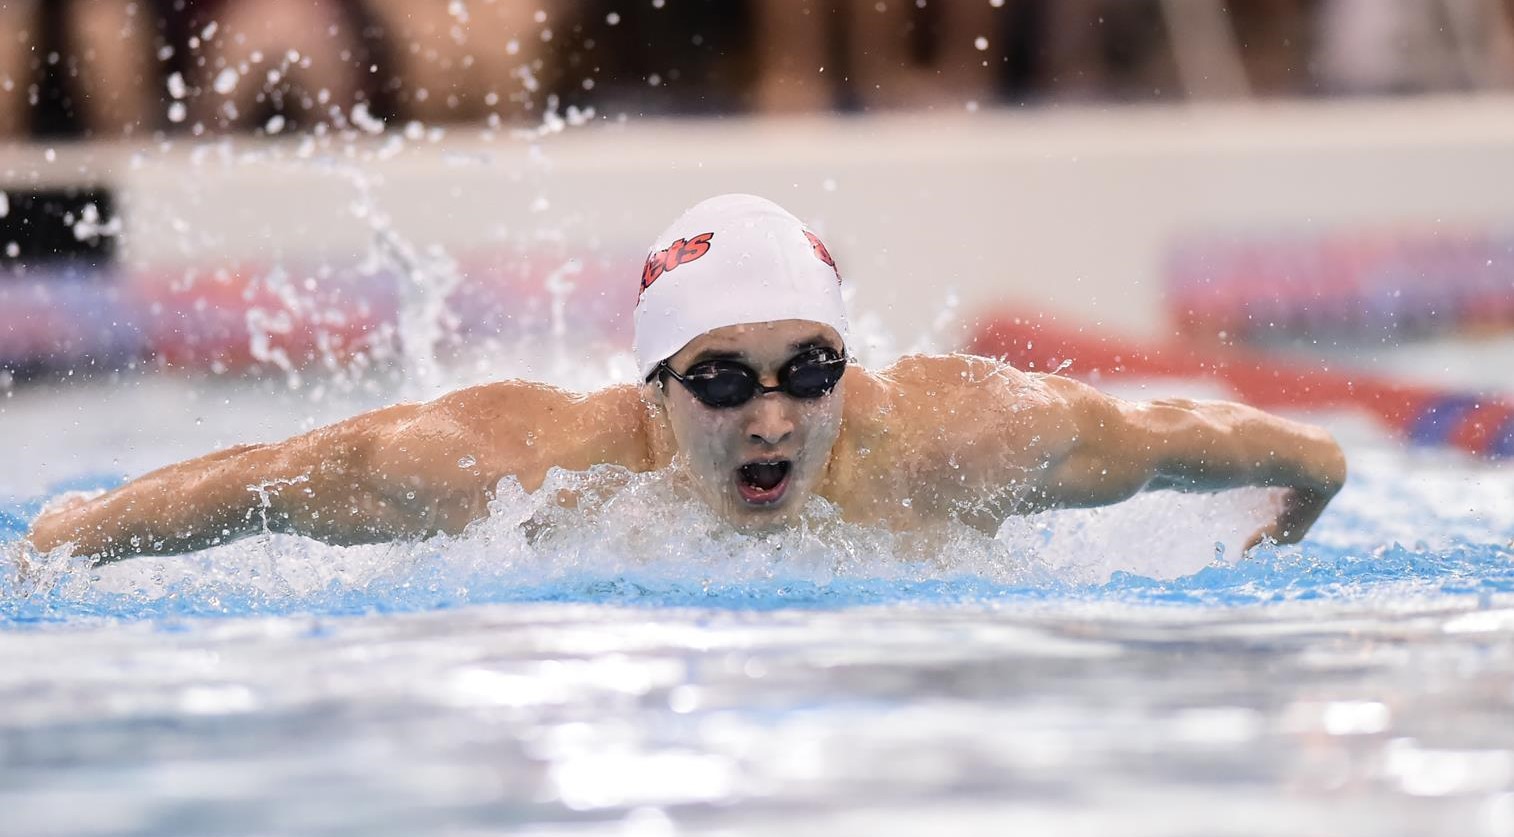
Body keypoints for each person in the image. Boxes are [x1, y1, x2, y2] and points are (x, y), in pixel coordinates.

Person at [24, 194, 1346, 566]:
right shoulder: (521, 465)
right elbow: (262, 483)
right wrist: (62, 540)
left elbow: (1263, 446)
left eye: (808, 372)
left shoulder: (966, 440)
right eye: (722, 382)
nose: (773, 416)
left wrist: (1286, 527)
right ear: (651, 390)